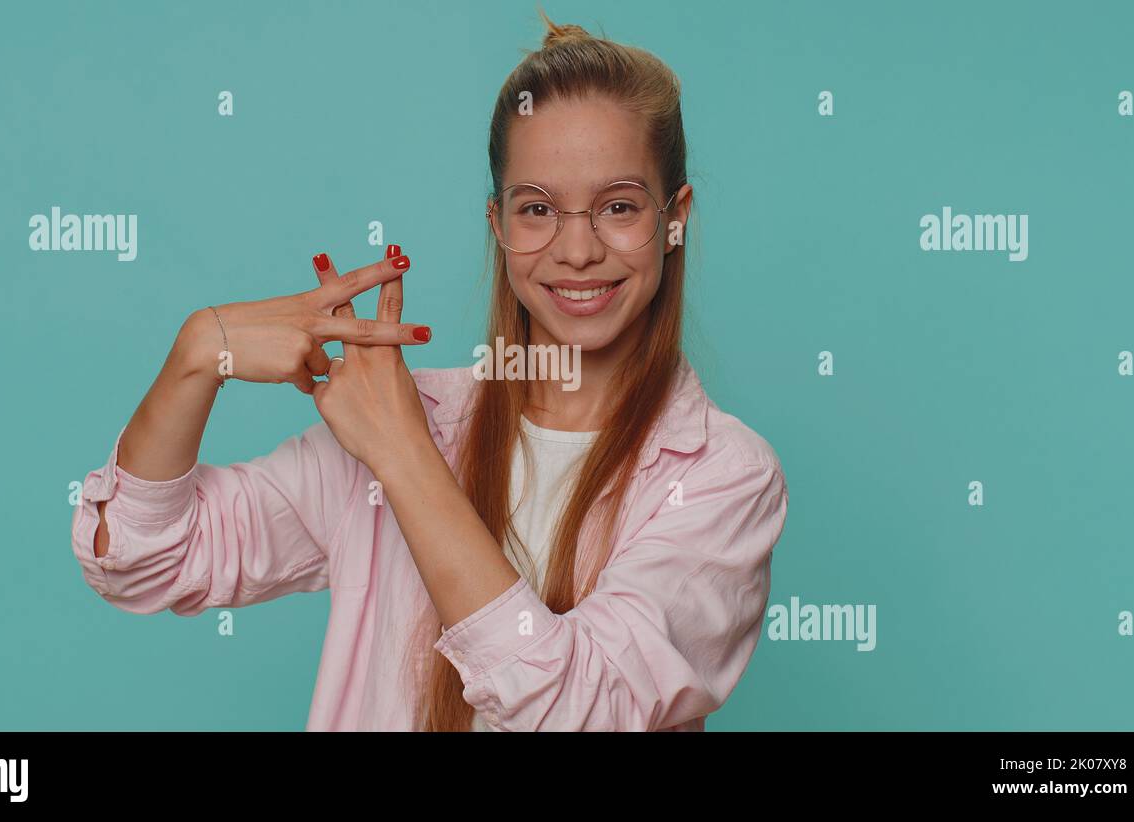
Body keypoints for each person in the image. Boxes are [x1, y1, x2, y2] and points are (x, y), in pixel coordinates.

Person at [70, 11, 789, 732]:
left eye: (619, 207)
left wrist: (406, 457)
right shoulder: (415, 418)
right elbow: (138, 556)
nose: (577, 250)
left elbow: (579, 709)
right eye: (537, 208)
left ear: (675, 217)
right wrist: (199, 353)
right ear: (498, 225)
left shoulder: (722, 476)